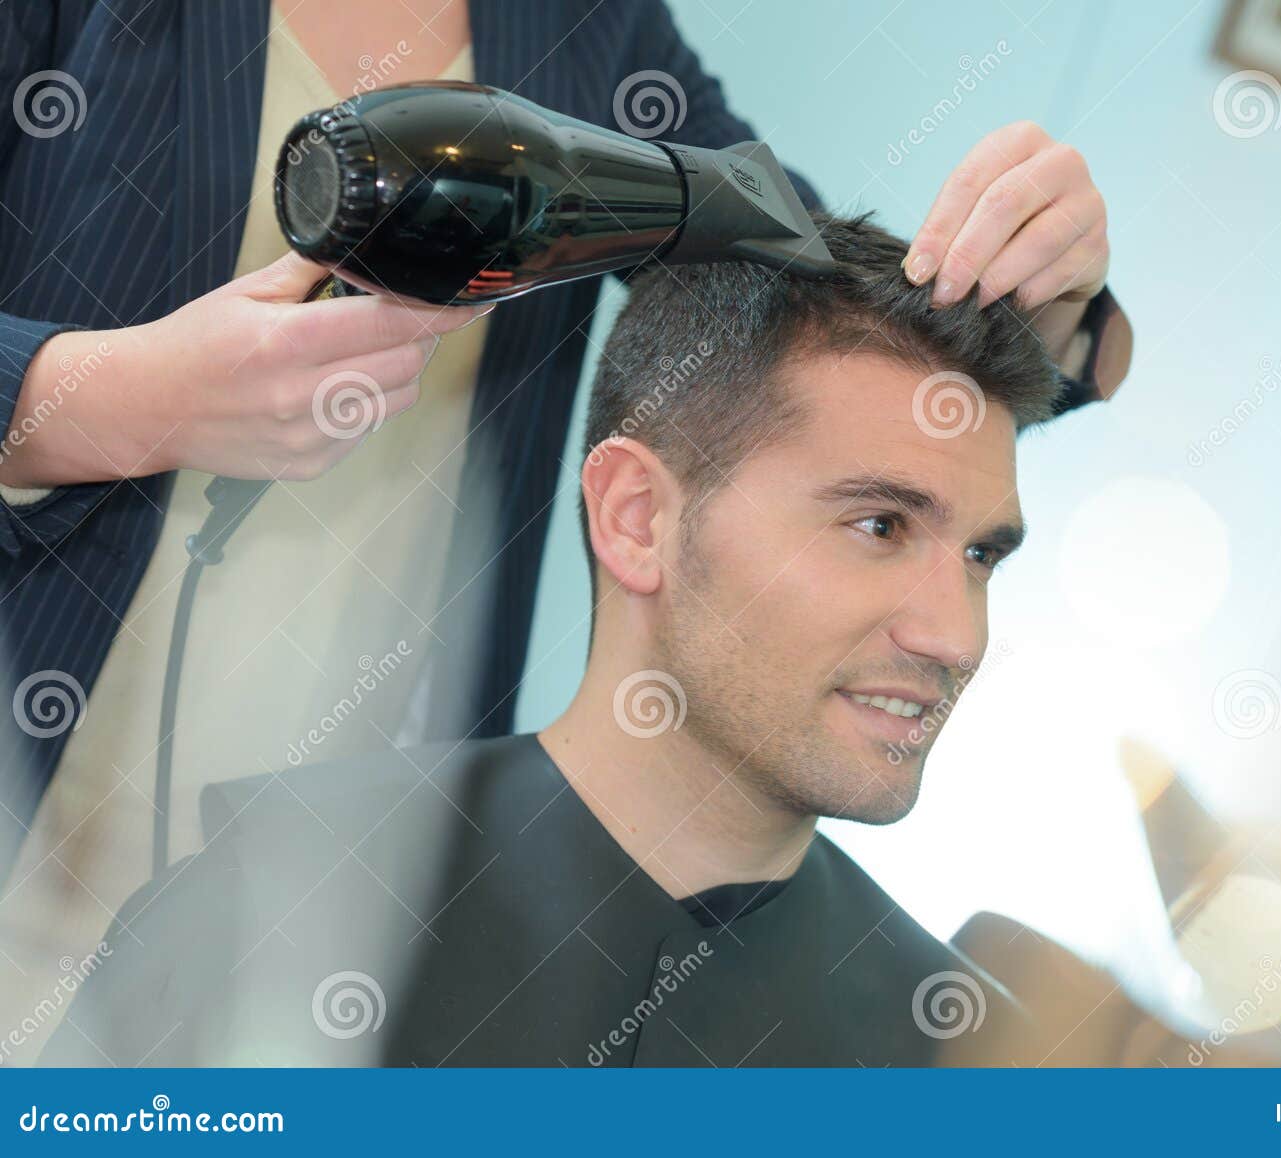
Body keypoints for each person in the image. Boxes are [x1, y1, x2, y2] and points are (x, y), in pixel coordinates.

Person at [0, 0, 1128, 1063]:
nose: (953, 634)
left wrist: (1047, 292)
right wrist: (110, 400)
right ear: (633, 514)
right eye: (881, 528)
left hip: (368, 892)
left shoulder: (585, 25)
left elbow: (806, 293)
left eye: (978, 555)